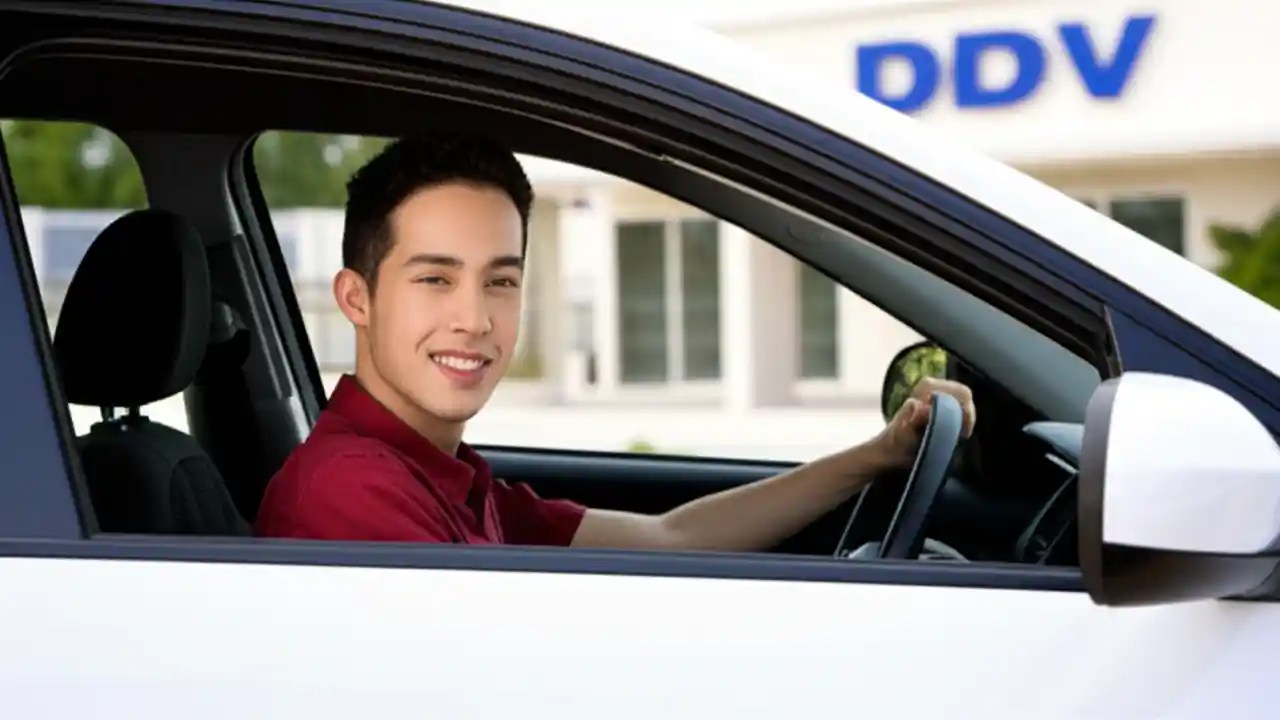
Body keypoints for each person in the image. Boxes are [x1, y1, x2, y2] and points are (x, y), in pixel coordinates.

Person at [253, 131, 977, 550]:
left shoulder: (444, 474)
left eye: (500, 281)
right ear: (357, 298)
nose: (474, 318)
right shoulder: (350, 496)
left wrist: (877, 457)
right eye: (436, 280)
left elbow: (673, 539)